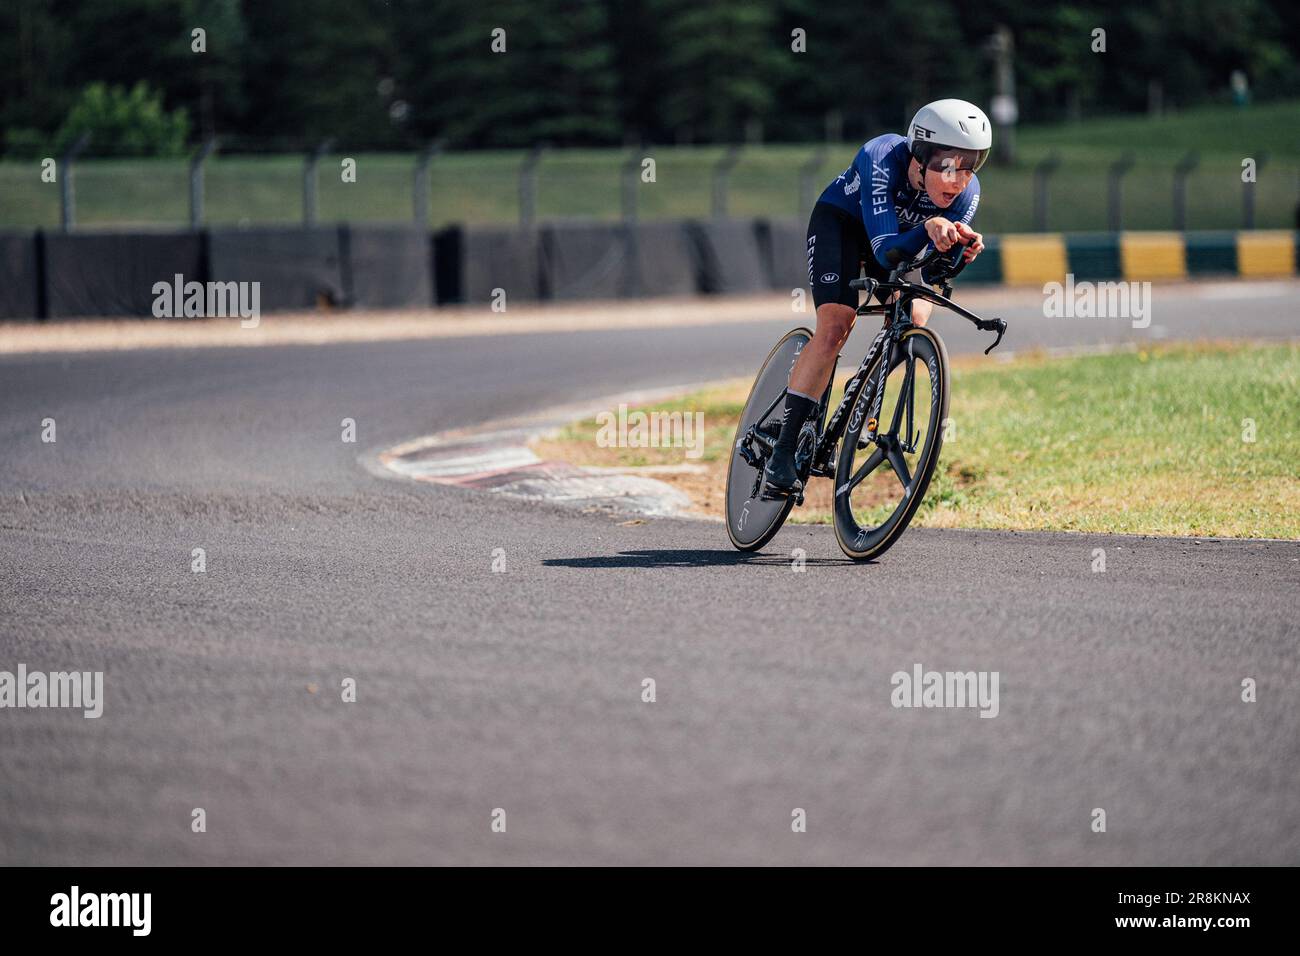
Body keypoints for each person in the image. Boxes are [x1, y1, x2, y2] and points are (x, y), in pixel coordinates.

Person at [763, 98, 991, 498]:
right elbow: (886, 250)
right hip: (845, 227)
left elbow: (935, 273)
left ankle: (864, 399)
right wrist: (931, 227)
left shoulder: (966, 194)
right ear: (919, 157)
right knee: (837, 325)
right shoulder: (881, 156)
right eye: (948, 166)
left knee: (916, 312)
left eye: (970, 165)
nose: (958, 180)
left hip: (902, 239)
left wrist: (960, 253)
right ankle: (782, 450)